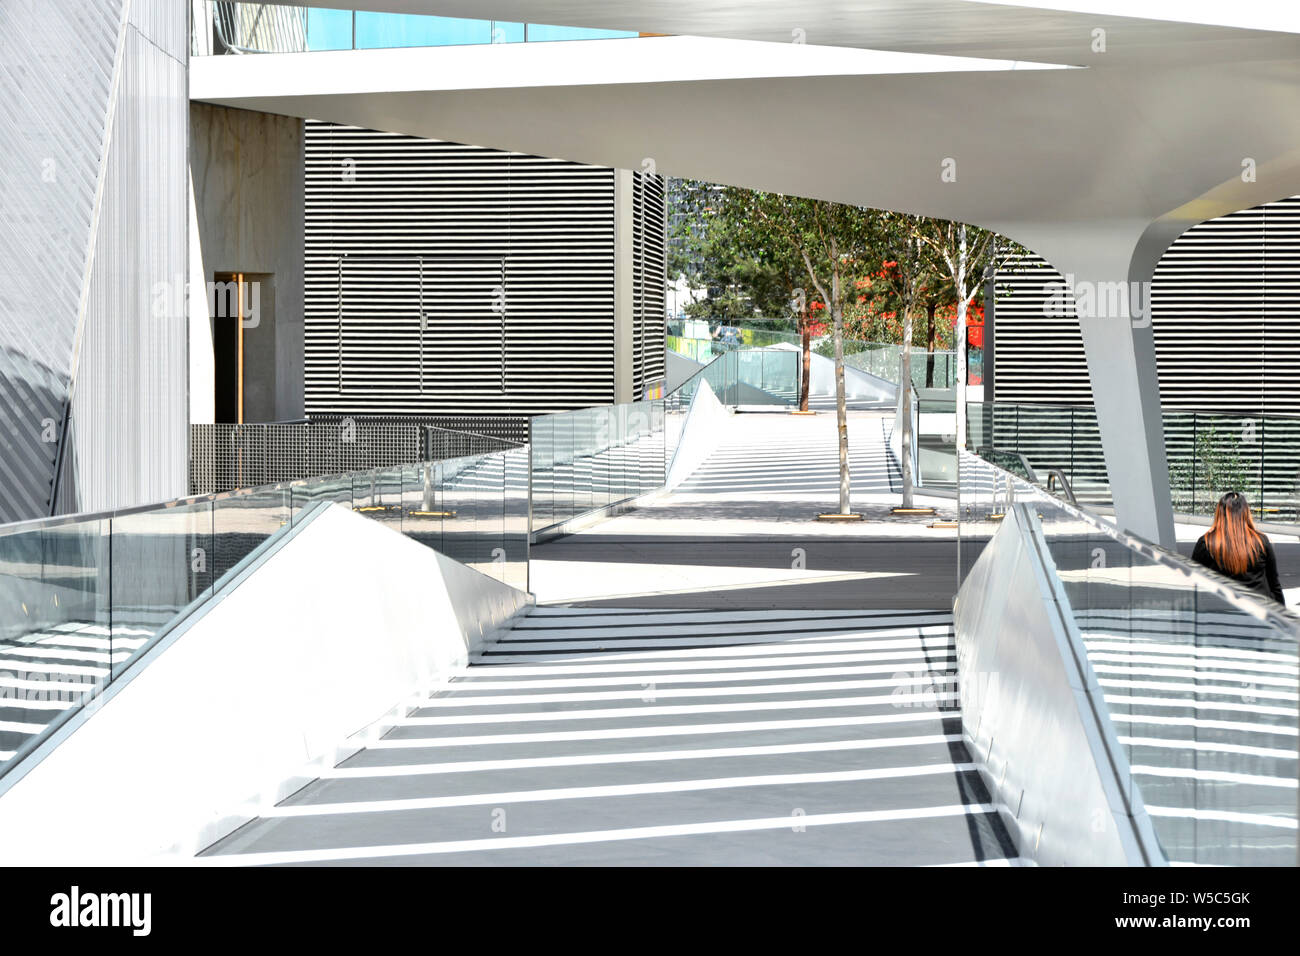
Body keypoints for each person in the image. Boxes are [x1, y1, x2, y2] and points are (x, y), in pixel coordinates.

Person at [1191, 491, 1284, 604]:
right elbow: (1274, 584)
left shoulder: (1206, 543)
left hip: (1220, 611)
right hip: (1259, 612)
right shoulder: (1260, 541)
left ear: (1219, 513)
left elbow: (1193, 581)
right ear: (1245, 512)